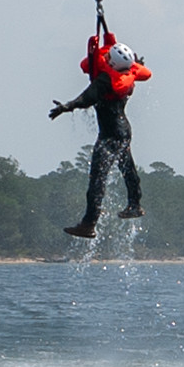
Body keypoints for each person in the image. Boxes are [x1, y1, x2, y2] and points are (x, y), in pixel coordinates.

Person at [51, 27, 151, 239]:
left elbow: (86, 98)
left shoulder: (106, 81)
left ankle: (89, 223)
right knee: (127, 168)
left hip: (110, 135)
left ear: (113, 63)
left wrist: (65, 107)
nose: (104, 57)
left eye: (107, 57)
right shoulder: (128, 75)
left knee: (98, 178)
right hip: (123, 130)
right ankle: (135, 203)